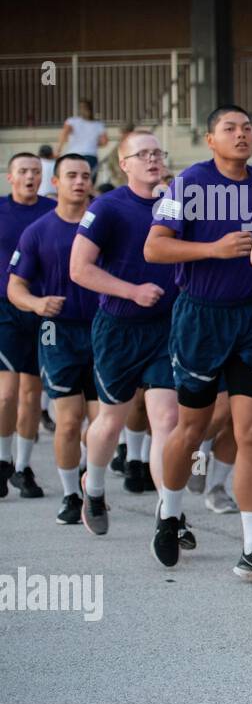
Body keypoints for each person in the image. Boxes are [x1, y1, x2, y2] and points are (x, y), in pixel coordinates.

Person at [144, 105, 252, 573]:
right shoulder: (188, 183)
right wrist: (213, 248)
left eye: (247, 128)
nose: (242, 134)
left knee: (251, 433)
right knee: (191, 429)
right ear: (210, 139)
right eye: (230, 128)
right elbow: (155, 247)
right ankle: (168, 512)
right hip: (201, 317)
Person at [70, 132, 186, 541]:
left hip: (166, 327)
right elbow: (79, 269)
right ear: (125, 164)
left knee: (167, 420)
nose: (153, 159)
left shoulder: (176, 202)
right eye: (143, 154)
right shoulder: (107, 208)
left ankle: (168, 514)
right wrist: (131, 291)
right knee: (111, 420)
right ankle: (95, 488)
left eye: (158, 152)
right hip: (118, 327)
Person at [6, 154, 101, 525]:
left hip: (103, 330)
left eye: (85, 176)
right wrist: (36, 303)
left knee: (102, 422)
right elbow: (16, 286)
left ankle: (94, 486)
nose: (79, 181)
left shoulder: (105, 224)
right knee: (68, 420)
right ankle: (70, 494)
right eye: (71, 176)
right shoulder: (38, 231)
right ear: (56, 183)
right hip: (57, 333)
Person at [0, 152, 54, 500]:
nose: (30, 176)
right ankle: (2, 460)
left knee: (33, 393)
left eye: (36, 171)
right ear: (10, 177)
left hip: (42, 308)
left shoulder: (51, 210)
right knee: (7, 393)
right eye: (23, 171)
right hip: (4, 307)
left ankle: (23, 467)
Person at [56, 99, 108, 180]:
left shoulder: (72, 121)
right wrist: (92, 143)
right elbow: (104, 142)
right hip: (91, 156)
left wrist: (58, 149)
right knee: (89, 182)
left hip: (73, 156)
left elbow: (64, 134)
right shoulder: (98, 124)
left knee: (72, 181)